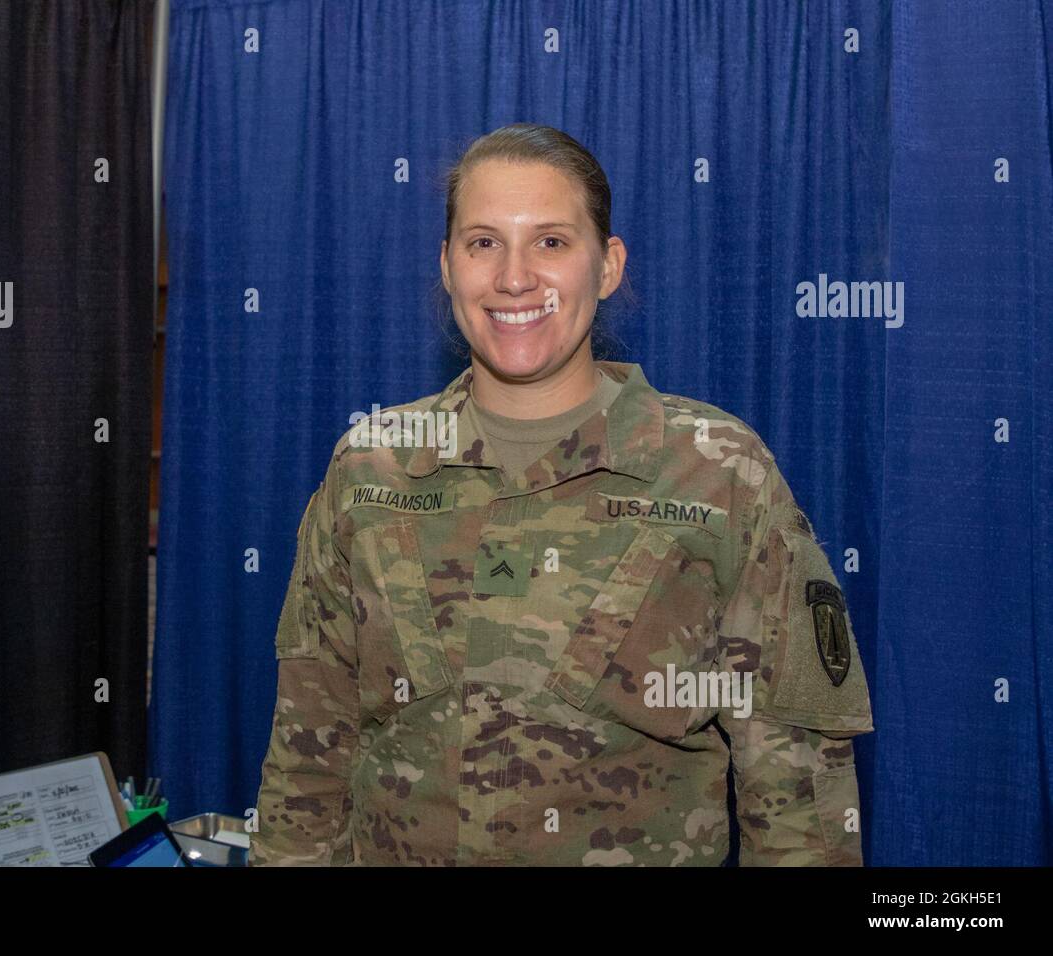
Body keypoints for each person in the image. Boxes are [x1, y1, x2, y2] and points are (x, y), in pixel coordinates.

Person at [249, 123, 874, 866]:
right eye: (483, 242)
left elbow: (797, 792)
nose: (514, 277)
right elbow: (309, 759)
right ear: (447, 265)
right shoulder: (370, 469)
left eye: (551, 241)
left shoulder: (720, 472)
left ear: (607, 266)